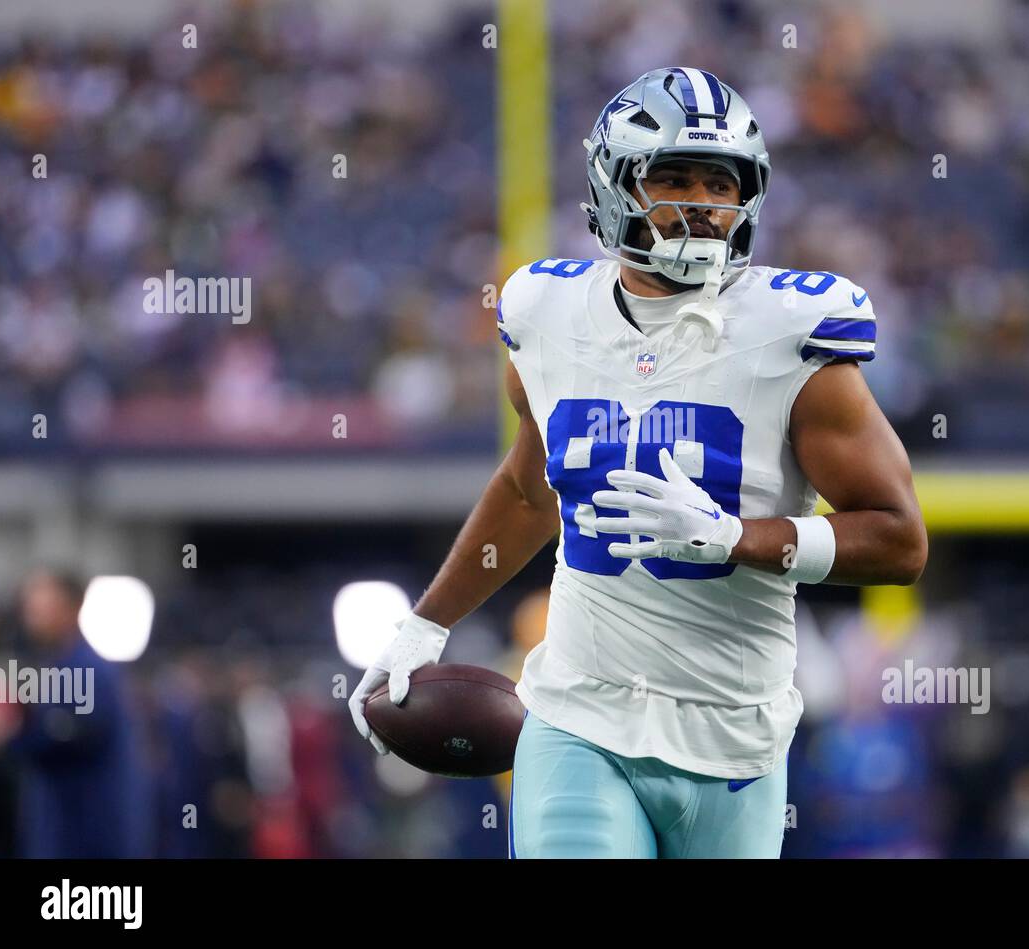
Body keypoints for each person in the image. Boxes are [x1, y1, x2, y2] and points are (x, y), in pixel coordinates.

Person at [350, 67, 927, 858]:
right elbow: (529, 491)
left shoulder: (792, 335)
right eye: (674, 177)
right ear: (616, 184)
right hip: (579, 717)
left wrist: (736, 538)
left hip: (734, 739)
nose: (699, 202)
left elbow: (900, 541)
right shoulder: (547, 315)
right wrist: (427, 621)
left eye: (719, 184)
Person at [0, 568, 152, 857]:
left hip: (88, 840)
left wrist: (12, 733)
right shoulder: (61, 668)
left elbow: (66, 737)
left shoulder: (88, 669)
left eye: (42, 607)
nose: (32, 617)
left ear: (72, 607)